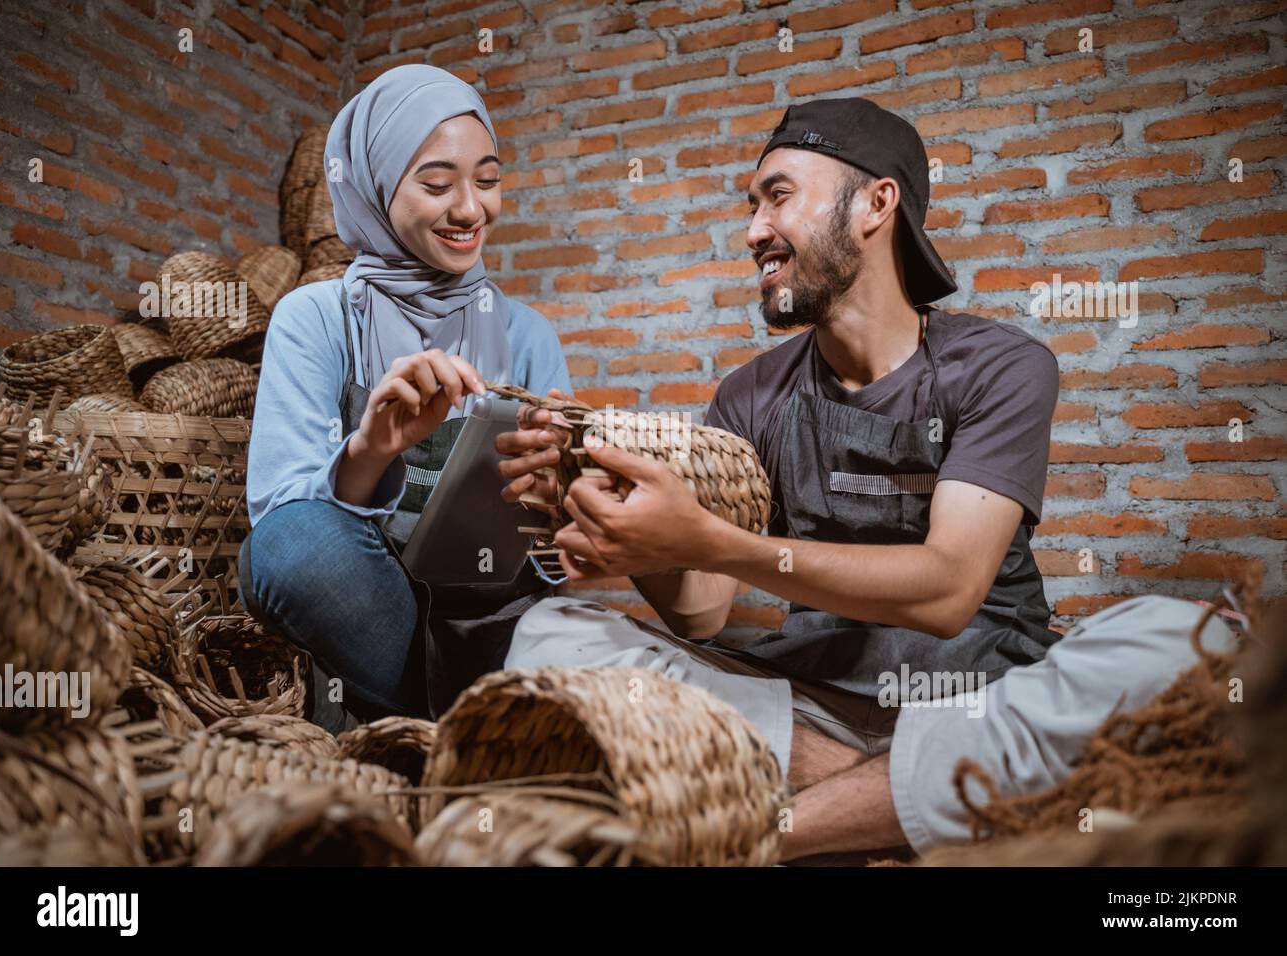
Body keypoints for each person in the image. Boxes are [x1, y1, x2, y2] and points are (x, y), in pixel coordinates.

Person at [495, 97, 1224, 860]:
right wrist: (630, 540)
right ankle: (920, 803)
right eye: (751, 206)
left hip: (981, 695)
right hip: (811, 705)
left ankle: (762, 835)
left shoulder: (1004, 367)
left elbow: (947, 592)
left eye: (778, 196)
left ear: (877, 203)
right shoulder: (750, 396)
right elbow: (703, 615)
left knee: (1181, 643)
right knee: (552, 634)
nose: (753, 233)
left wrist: (710, 539)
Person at [239, 65, 570, 733]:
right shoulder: (318, 316)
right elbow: (281, 519)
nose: (471, 210)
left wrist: (557, 496)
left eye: (487, 180)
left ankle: (429, 719)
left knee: (569, 625)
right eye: (438, 184)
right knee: (293, 546)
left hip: (489, 611)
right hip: (372, 609)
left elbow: (556, 562)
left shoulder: (527, 334)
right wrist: (372, 447)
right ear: (376, 184)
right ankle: (471, 721)